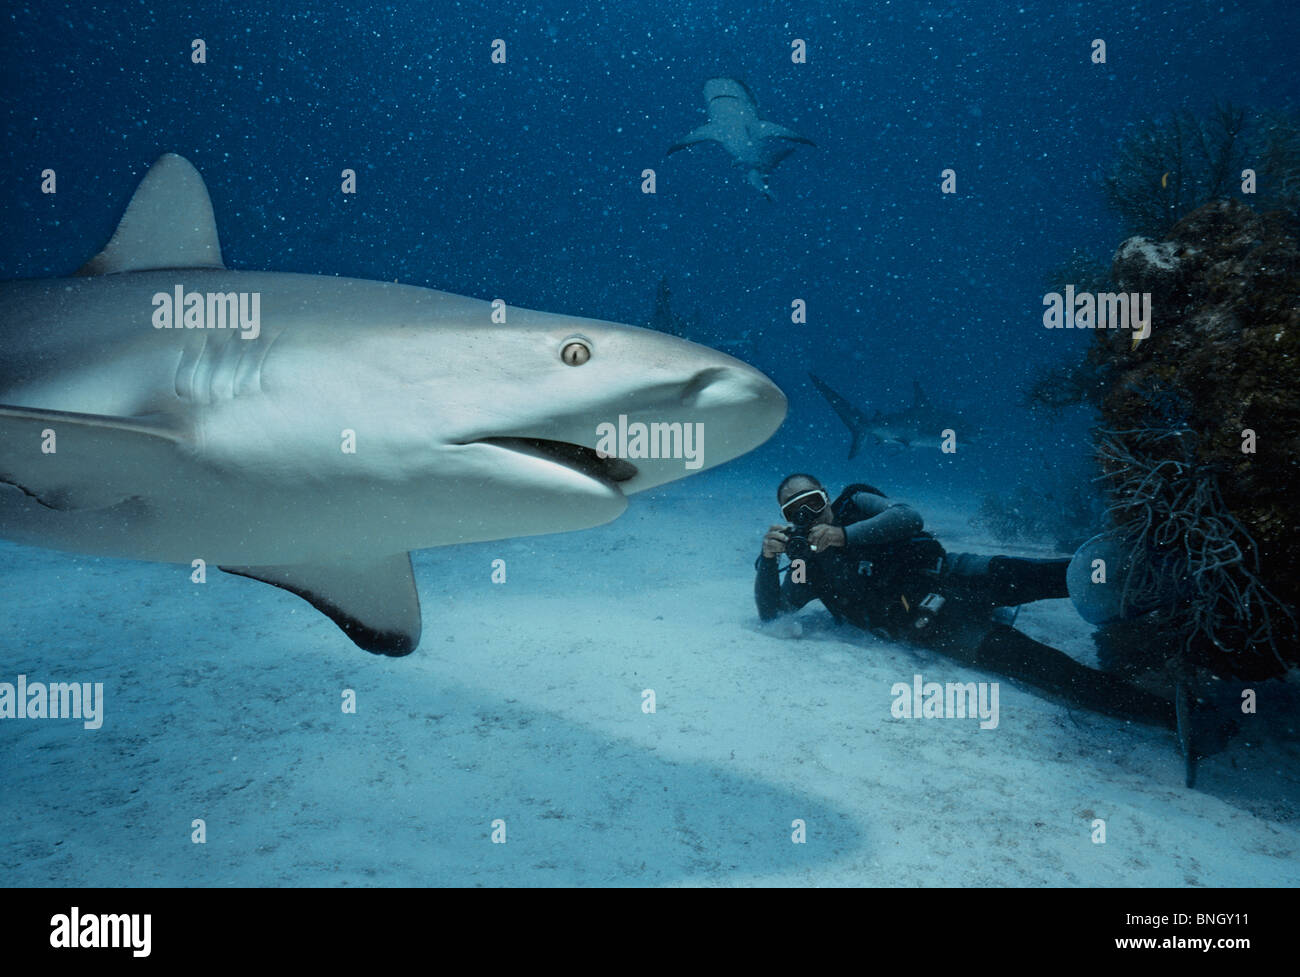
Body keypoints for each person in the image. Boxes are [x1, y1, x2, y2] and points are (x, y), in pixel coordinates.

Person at [754, 473, 1178, 729]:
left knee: (1053, 574)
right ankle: (1170, 714)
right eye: (796, 513)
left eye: (813, 503)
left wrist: (845, 535)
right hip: (935, 625)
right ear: (788, 521)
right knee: (1046, 667)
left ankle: (1161, 572)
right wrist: (766, 562)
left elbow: (908, 518)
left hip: (955, 572)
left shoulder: (856, 504)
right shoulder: (806, 565)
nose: (809, 516)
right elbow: (773, 615)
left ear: (826, 496)